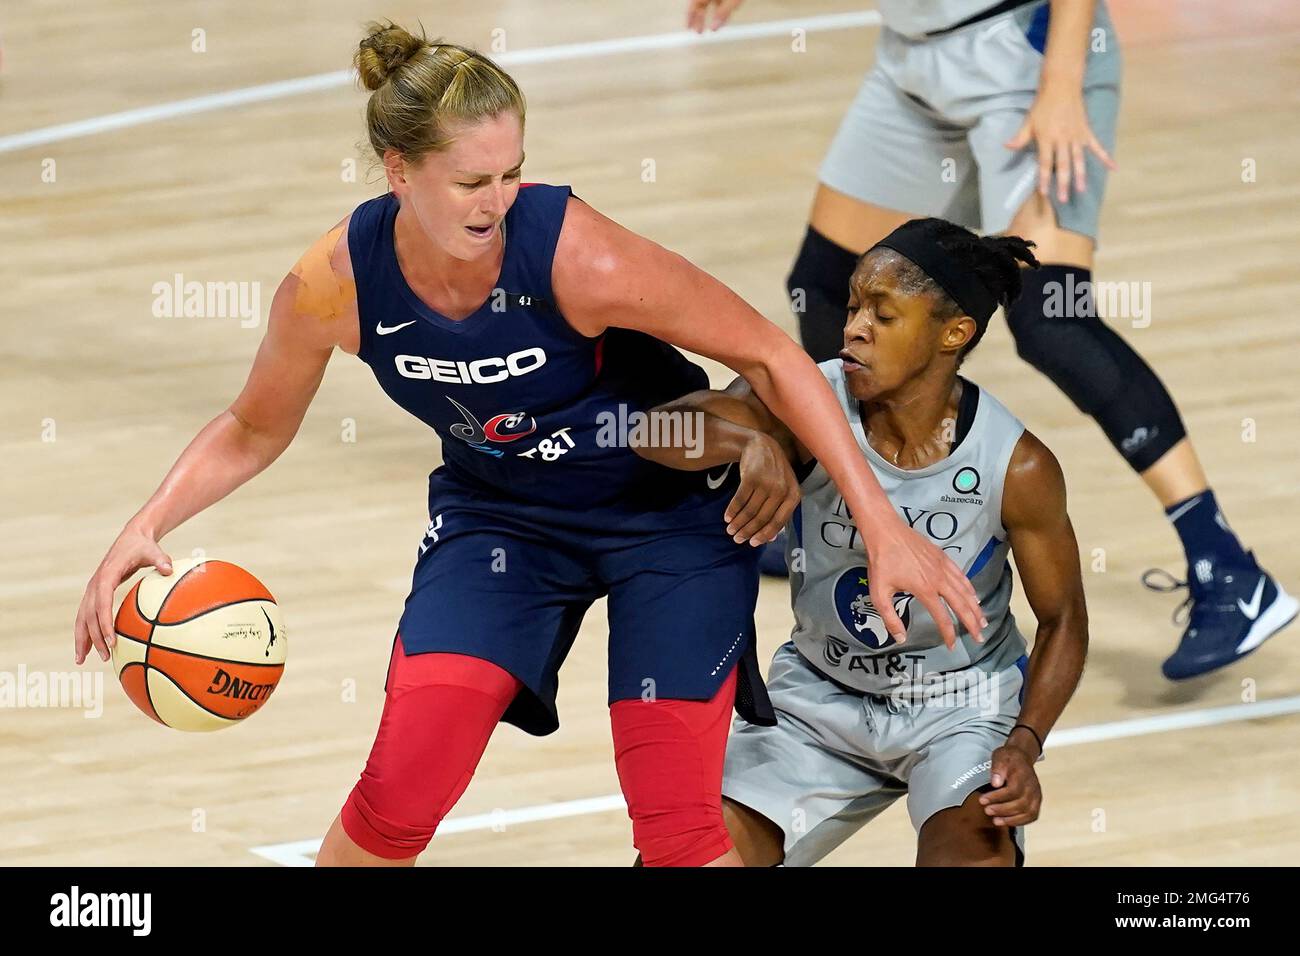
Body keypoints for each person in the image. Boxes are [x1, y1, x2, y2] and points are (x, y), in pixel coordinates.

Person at [71, 23, 986, 868]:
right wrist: (142, 524)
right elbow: (252, 425)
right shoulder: (331, 285)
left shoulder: (575, 255)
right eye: (472, 182)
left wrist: (881, 526)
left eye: (512, 173)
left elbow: (772, 353)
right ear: (398, 172)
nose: (499, 200)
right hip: (501, 521)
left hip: (664, 519)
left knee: (677, 826)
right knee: (399, 794)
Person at [685, 0, 1295, 679]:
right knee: (827, 285)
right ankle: (860, 515)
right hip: (914, 61)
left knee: (1053, 317)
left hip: (1024, 58)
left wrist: (1061, 83)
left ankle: (1228, 567)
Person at [636, 218, 1088, 865]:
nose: (853, 327)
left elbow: (1064, 619)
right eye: (852, 305)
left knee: (972, 858)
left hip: (959, 708)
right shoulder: (806, 398)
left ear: (953, 333)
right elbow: (658, 433)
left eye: (883, 314)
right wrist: (750, 439)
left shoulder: (1016, 467)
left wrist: (1023, 743)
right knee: (682, 854)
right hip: (816, 699)